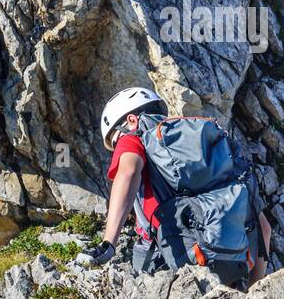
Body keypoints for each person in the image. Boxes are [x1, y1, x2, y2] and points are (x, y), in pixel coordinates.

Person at [77, 86, 271, 287]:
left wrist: (108, 242)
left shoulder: (133, 137)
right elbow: (263, 227)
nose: (117, 148)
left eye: (115, 141)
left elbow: (128, 173)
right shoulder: (209, 142)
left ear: (132, 121)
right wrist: (255, 289)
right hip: (232, 263)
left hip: (170, 256)